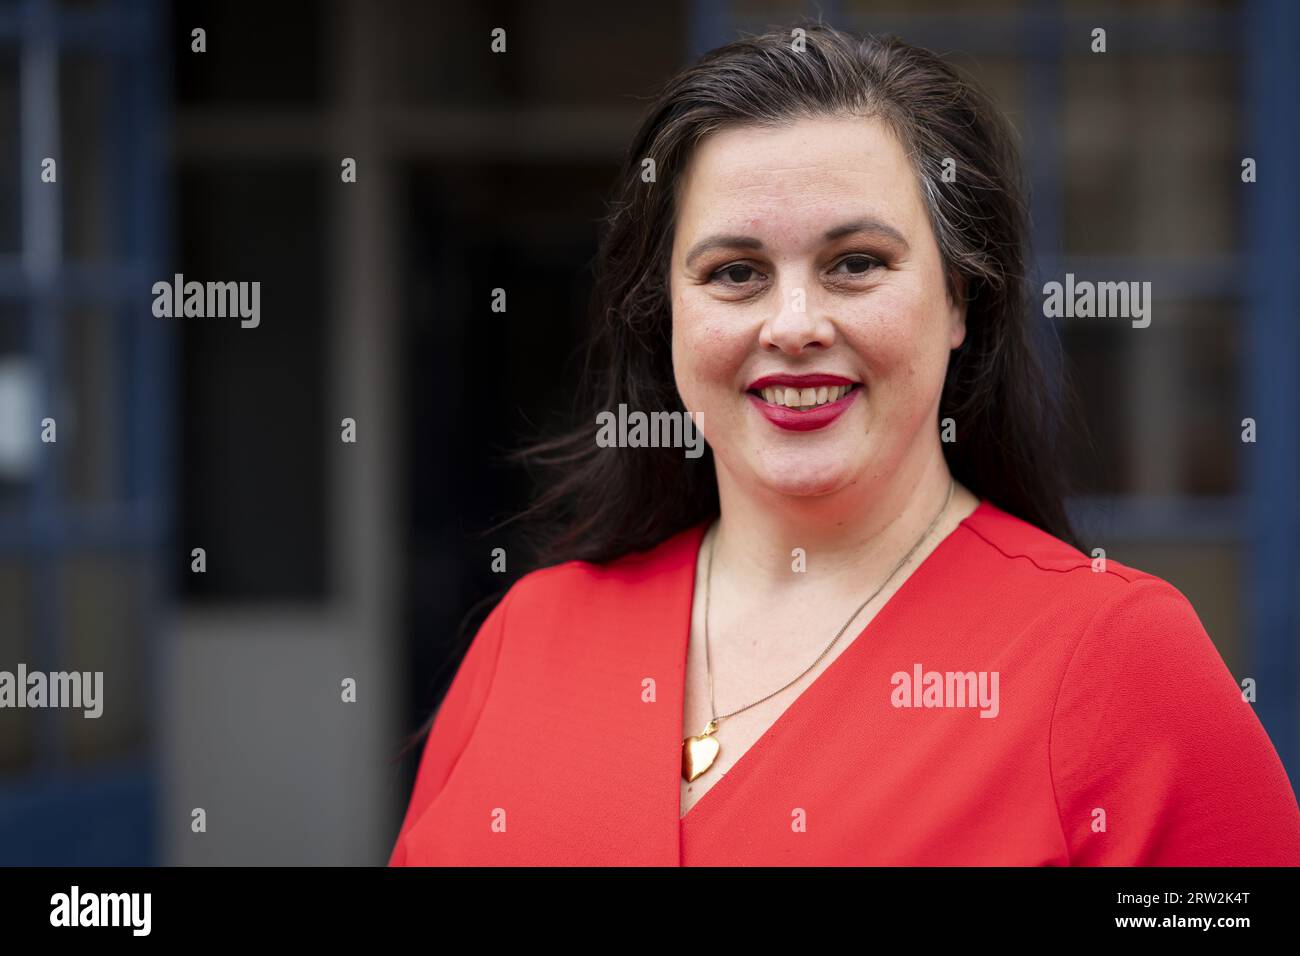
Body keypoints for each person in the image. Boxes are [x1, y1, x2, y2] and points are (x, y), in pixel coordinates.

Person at [389, 22, 1300, 866]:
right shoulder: (532, 635)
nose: (793, 325)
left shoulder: (1115, 663)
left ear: (959, 301)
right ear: (664, 317)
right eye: (735, 273)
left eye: (856, 263)